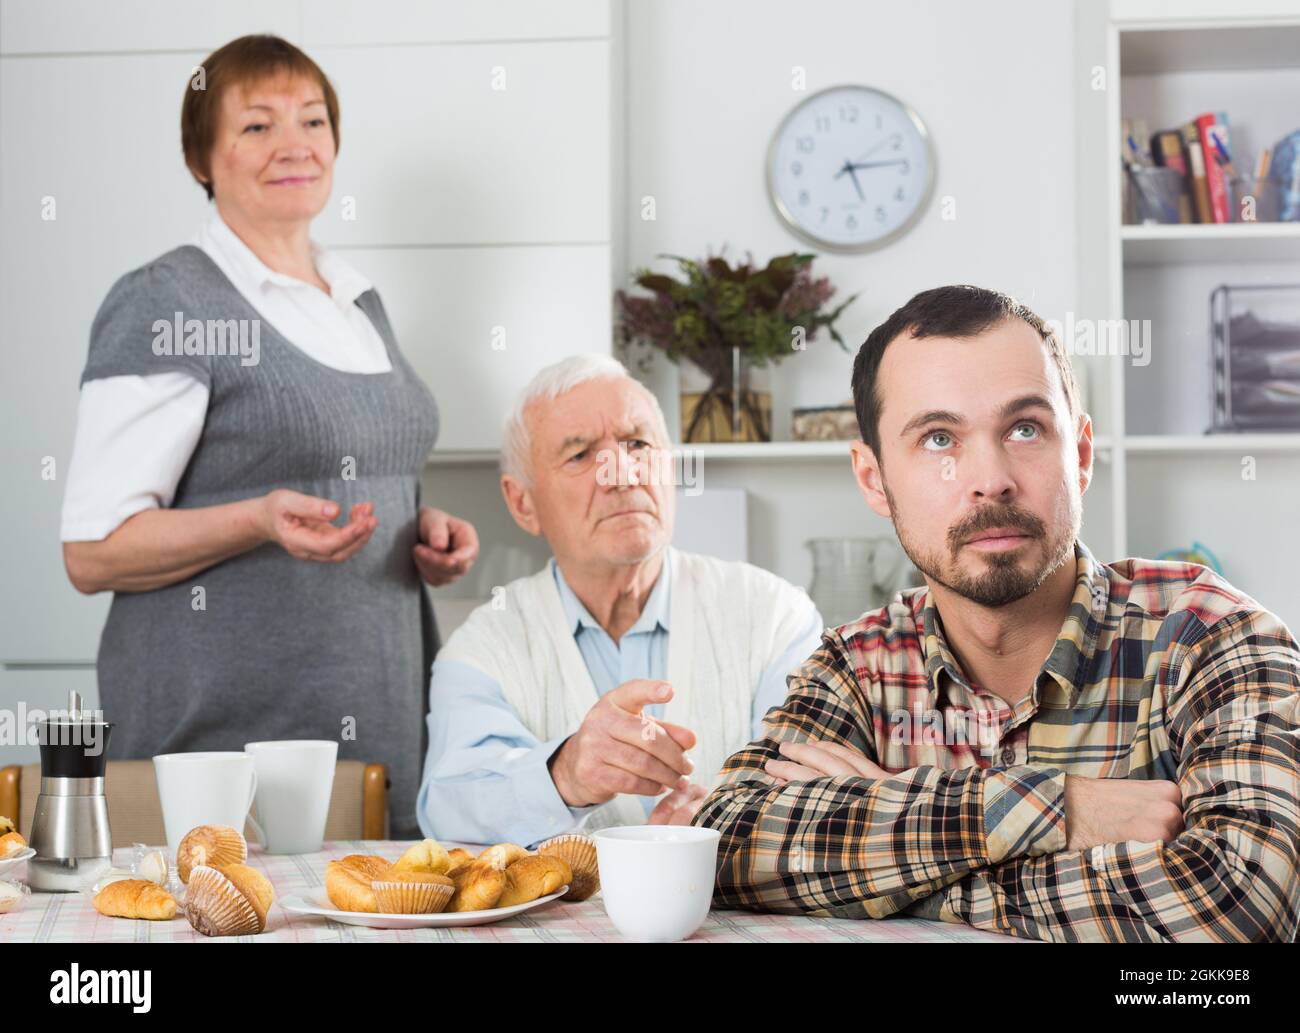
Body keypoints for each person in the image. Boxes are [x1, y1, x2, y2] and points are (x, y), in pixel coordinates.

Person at [693, 285, 1300, 943]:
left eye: (1025, 428)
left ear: (1081, 454)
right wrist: (1059, 811)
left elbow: (1241, 904)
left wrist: (904, 857)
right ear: (873, 478)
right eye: (938, 437)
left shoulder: (1213, 634)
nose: (990, 478)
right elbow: (724, 842)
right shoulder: (856, 665)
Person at [60, 35, 479, 837]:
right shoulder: (168, 301)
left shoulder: (356, 300)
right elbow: (93, 550)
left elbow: (360, 473)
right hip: (227, 745)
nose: (295, 145)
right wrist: (256, 519)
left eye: (313, 121)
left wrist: (418, 531)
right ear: (201, 156)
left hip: (381, 721)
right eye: (256, 126)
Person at [416, 354, 824, 846]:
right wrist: (566, 775)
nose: (622, 471)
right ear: (522, 502)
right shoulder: (481, 648)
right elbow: (450, 806)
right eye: (581, 454)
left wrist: (730, 822)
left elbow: (820, 787)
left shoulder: (776, 615)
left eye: (637, 443)